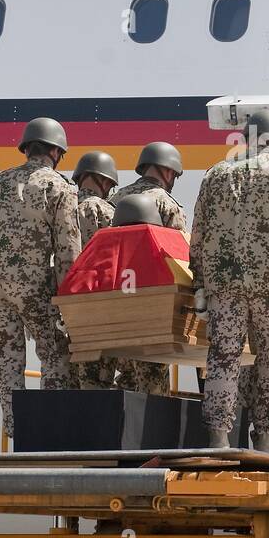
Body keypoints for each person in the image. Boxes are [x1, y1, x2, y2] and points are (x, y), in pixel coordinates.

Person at [190, 109, 269, 453]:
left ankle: (218, 439)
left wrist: (199, 286)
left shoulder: (215, 174)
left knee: (222, 359)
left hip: (224, 288)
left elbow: (199, 235)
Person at [0, 118, 81, 439]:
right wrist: (71, 301)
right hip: (37, 287)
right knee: (54, 355)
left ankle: (17, 433)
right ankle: (49, 433)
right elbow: (68, 249)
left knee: (7, 363)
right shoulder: (59, 188)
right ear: (56, 151)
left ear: (26, 148)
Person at [107, 142, 186, 395]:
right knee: (153, 374)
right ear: (168, 171)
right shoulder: (166, 204)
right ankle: (152, 431)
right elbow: (179, 257)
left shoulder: (115, 199)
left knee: (127, 372)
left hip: (115, 299)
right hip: (152, 301)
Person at [72, 151, 119, 390]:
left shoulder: (62, 204)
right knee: (96, 381)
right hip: (97, 309)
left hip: (64, 306)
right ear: (105, 181)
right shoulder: (104, 210)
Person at [110, 141, 186, 231]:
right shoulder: (168, 205)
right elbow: (177, 242)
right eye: (175, 176)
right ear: (169, 171)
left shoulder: (116, 197)